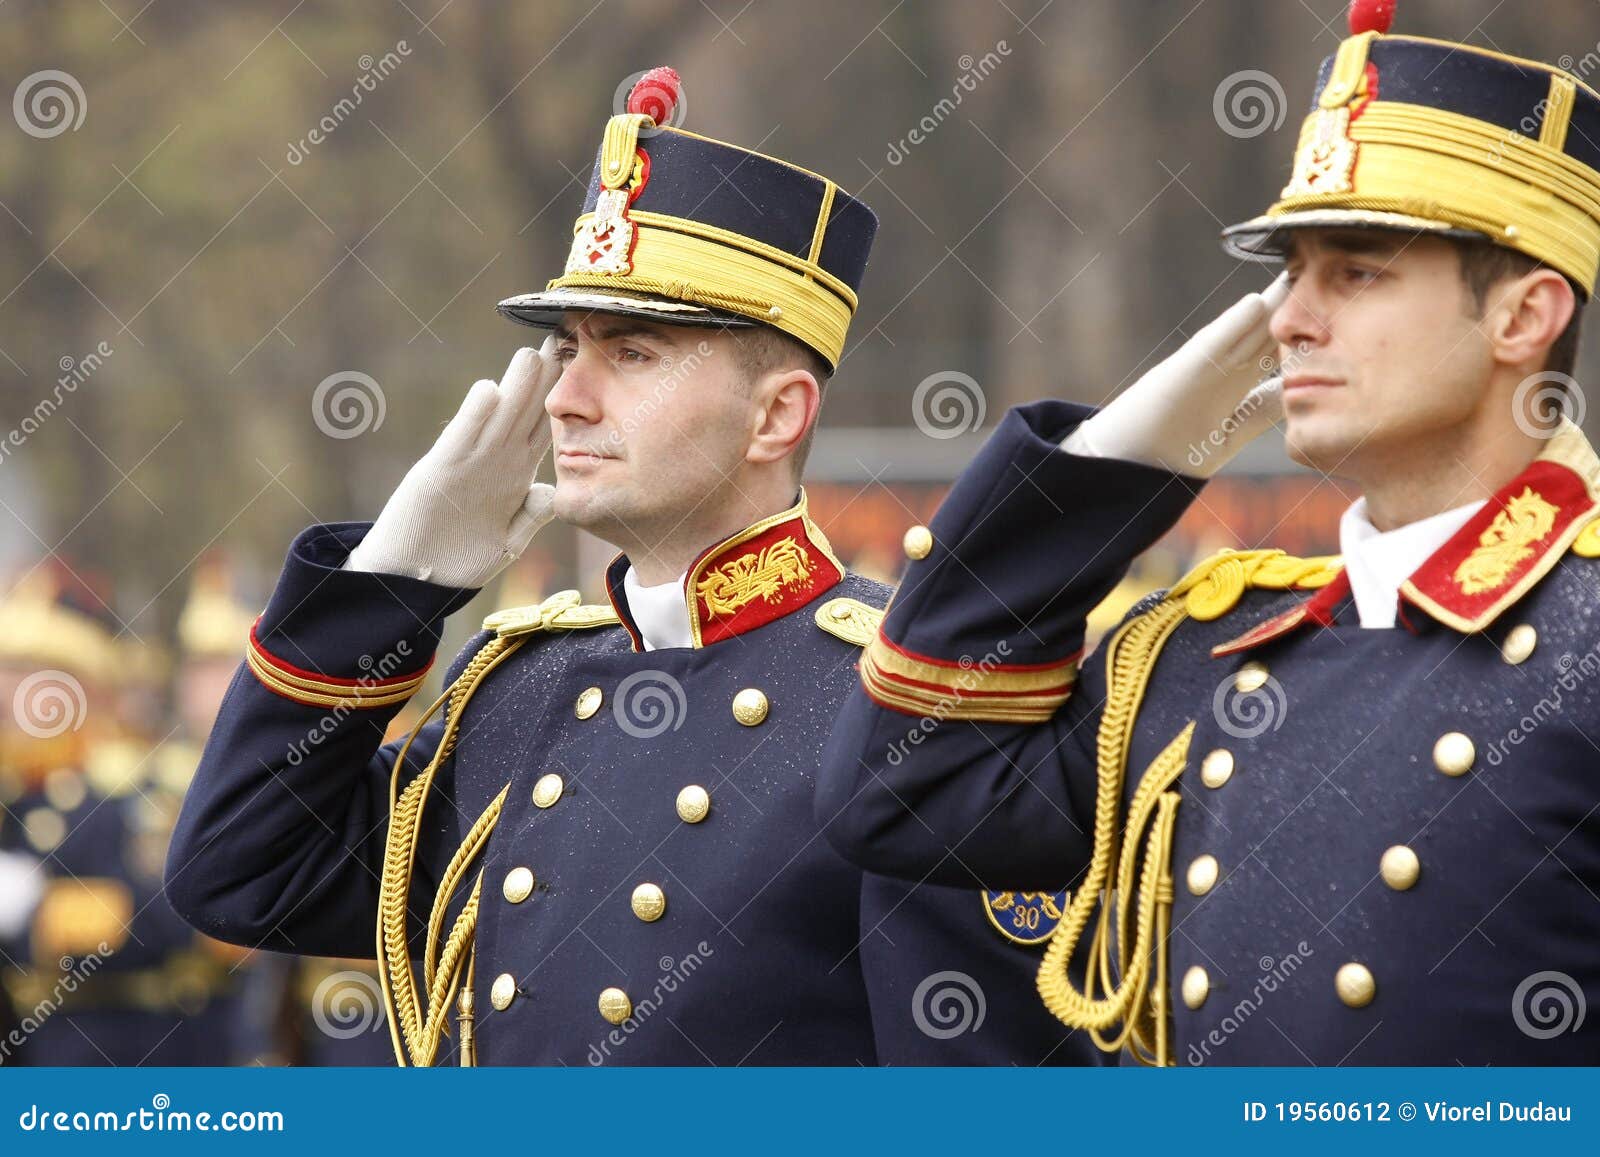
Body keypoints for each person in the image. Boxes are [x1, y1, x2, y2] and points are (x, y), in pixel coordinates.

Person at [166, 67, 1091, 1066]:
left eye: (634, 351)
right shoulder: (515, 692)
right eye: (568, 346)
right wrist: (393, 584)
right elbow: (240, 869)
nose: (566, 395)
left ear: (775, 413)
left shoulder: (903, 708)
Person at [817, 0, 1600, 1065]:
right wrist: (1108, 467)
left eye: (1356, 271)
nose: (1287, 318)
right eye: (1289, 273)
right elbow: (901, 790)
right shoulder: (1207, 658)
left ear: (1522, 316)